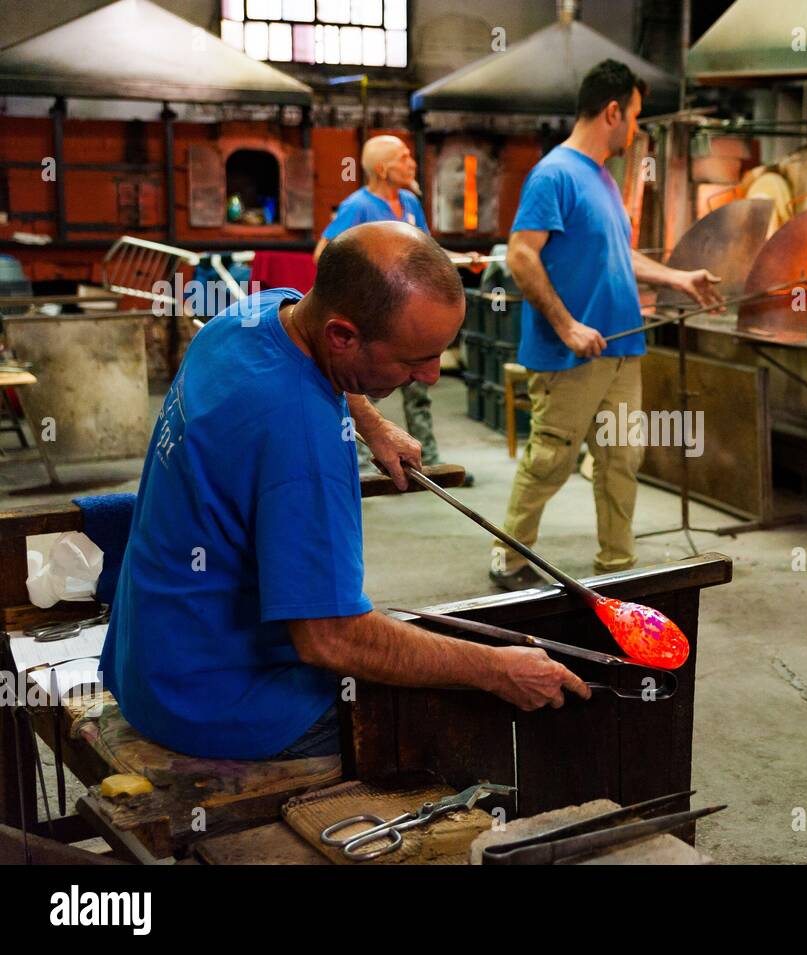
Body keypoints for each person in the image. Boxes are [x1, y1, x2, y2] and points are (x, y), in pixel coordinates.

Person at [101, 221, 588, 761]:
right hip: (217, 704)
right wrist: (495, 669)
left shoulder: (250, 316)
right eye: (412, 359)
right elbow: (331, 637)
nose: (429, 377)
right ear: (343, 336)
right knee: (469, 729)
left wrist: (372, 421)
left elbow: (305, 347)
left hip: (145, 659)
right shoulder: (304, 443)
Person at [489, 60, 721, 590]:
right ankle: (509, 558)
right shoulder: (554, 174)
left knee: (621, 458)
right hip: (572, 352)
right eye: (635, 117)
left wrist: (680, 279)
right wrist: (568, 325)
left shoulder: (602, 180)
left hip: (621, 347)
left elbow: (622, 256)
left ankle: (616, 568)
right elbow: (523, 255)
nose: (636, 129)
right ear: (613, 111)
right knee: (551, 460)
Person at [314, 134, 447, 476]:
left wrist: (460, 259)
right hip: (378, 321)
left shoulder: (410, 202)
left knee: (419, 385)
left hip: (413, 319)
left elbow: (426, 254)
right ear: (383, 169)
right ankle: (362, 463)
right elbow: (324, 255)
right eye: (405, 158)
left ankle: (425, 456)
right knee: (365, 389)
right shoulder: (358, 206)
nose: (412, 163)